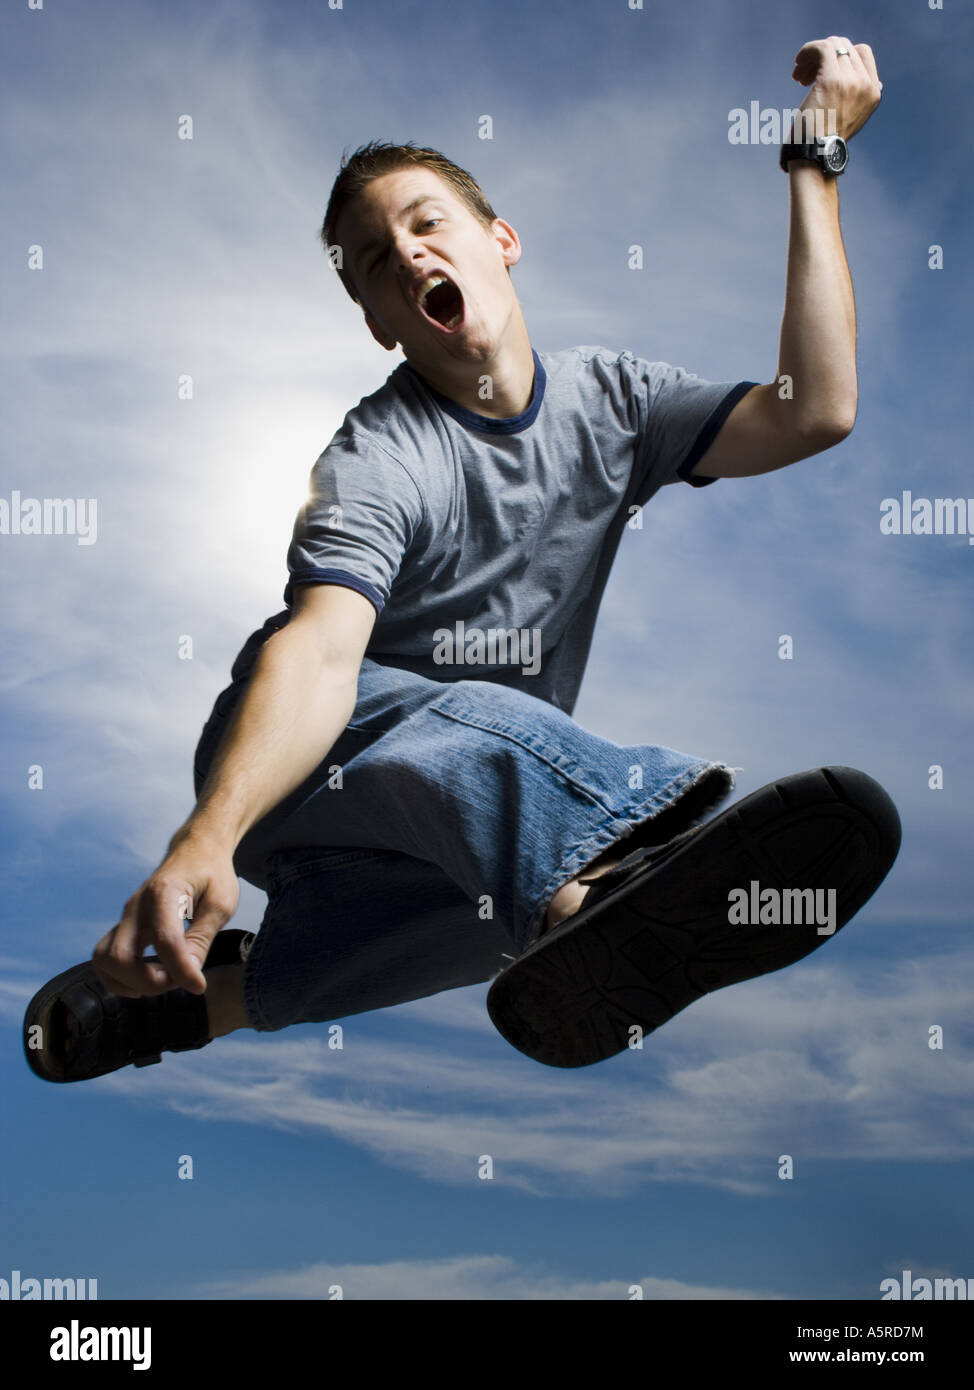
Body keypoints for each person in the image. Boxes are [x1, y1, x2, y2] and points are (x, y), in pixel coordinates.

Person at [24, 37, 900, 1082]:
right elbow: (317, 653)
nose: (406, 257)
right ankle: (603, 867)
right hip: (303, 768)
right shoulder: (377, 455)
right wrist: (207, 839)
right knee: (473, 758)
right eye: (374, 264)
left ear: (500, 240)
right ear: (379, 324)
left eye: (425, 224)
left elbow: (815, 412)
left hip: (451, 820)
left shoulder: (614, 402)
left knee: (505, 911)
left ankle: (202, 1005)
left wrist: (812, 165)